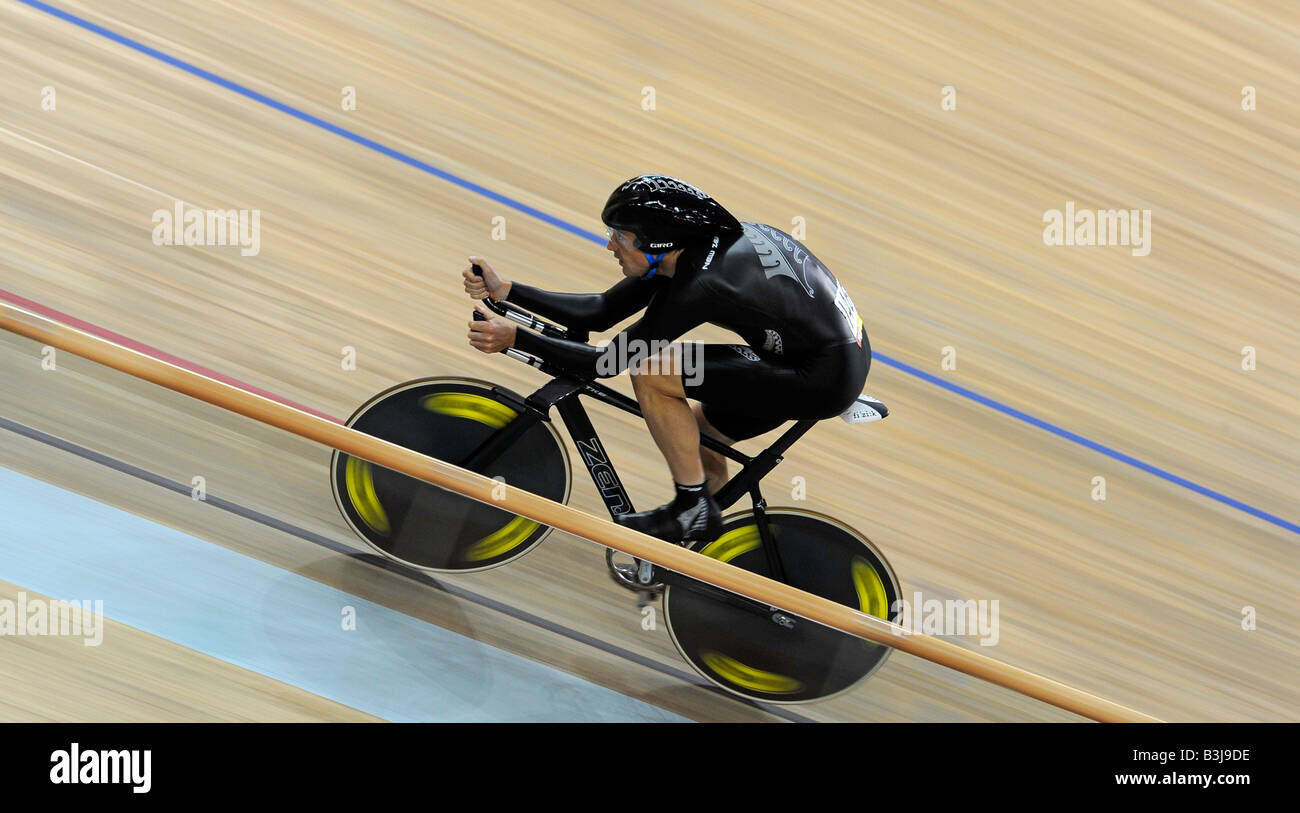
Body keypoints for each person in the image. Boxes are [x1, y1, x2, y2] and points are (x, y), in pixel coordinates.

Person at [463, 174, 868, 545]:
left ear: (655, 242)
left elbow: (609, 362)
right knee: (697, 436)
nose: (610, 245)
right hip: (818, 356)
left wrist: (518, 338)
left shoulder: (704, 282)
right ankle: (682, 550)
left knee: (653, 371)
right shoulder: (688, 249)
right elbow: (602, 311)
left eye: (619, 236)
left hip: (817, 376)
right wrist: (506, 290)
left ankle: (692, 507)